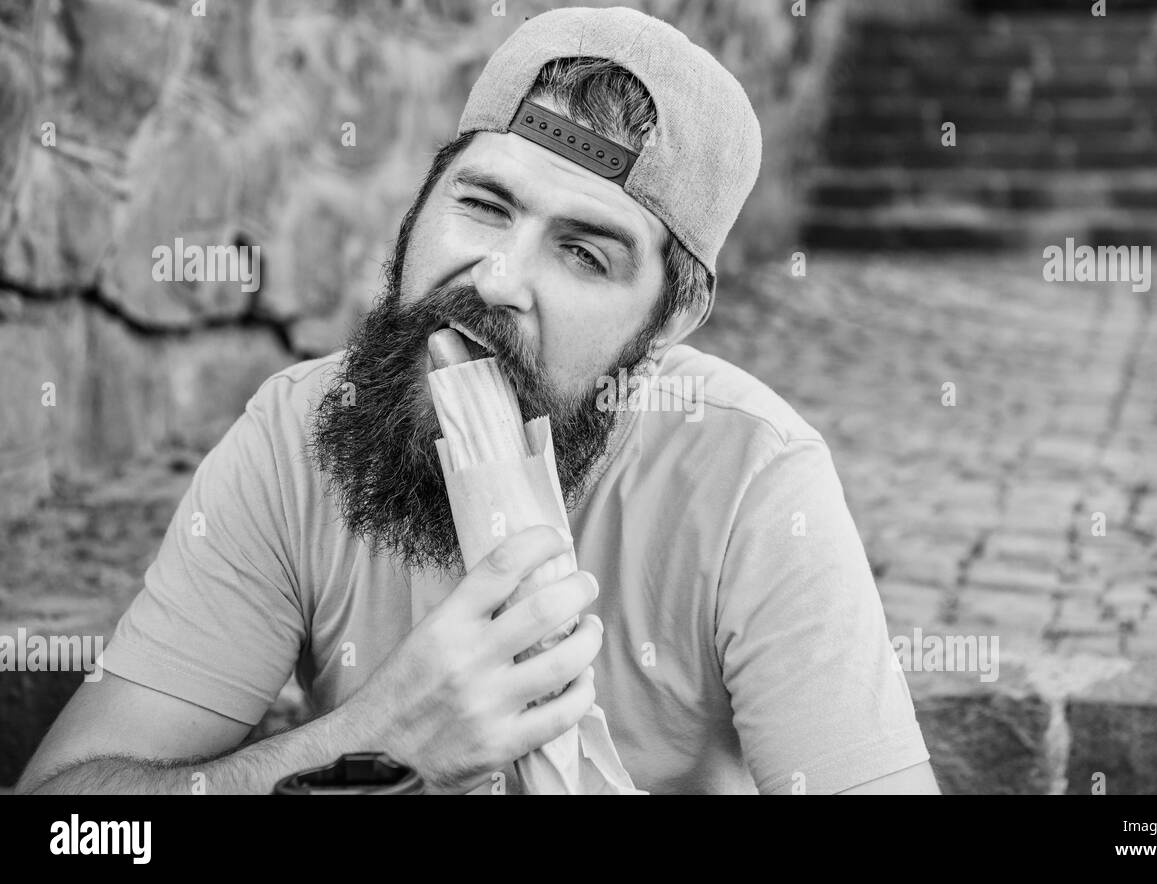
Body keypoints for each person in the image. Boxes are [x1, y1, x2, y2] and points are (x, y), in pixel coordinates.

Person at [18, 6, 937, 795]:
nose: (498, 279)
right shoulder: (292, 437)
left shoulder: (753, 480)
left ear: (668, 324)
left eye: (584, 252)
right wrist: (363, 749)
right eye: (485, 205)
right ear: (420, 206)